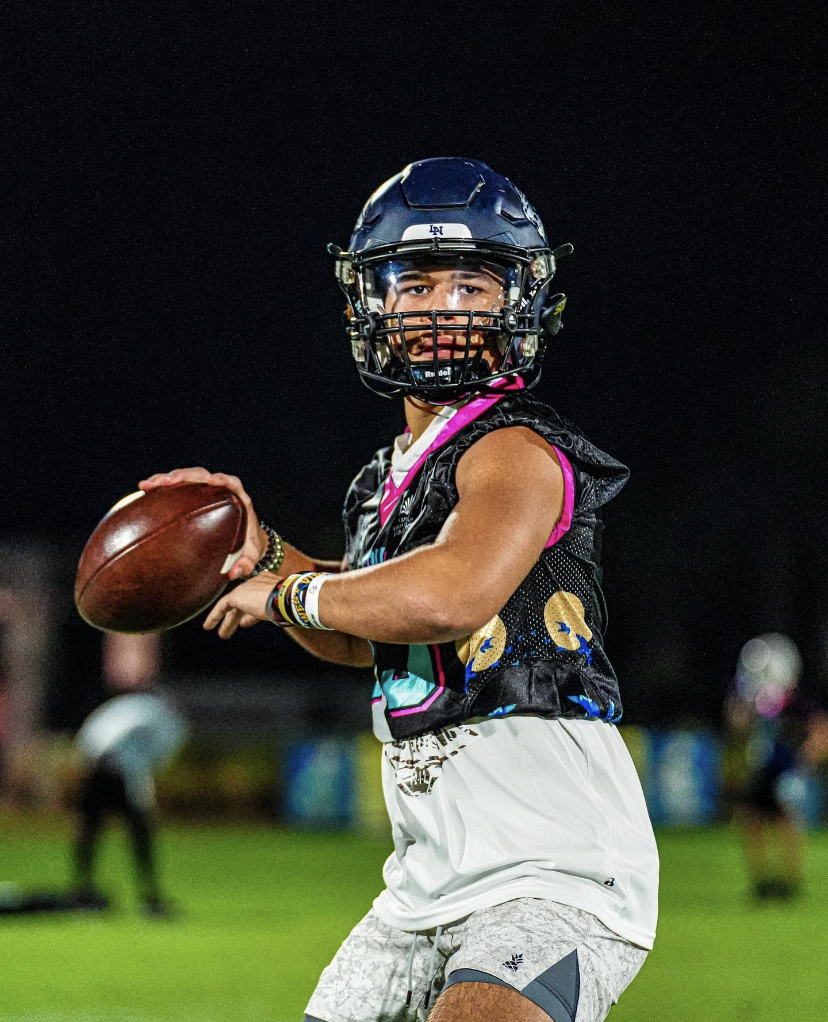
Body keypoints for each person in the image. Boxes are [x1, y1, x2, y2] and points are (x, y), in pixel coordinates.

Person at [140, 158, 659, 1021]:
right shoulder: (382, 482)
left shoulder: (518, 451)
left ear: (517, 303)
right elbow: (364, 629)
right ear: (371, 304)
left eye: (471, 283)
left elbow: (451, 593)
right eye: (414, 283)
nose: (442, 307)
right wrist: (261, 551)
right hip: (420, 887)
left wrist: (288, 596)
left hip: (554, 869)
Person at [71, 633, 188, 917]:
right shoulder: (140, 710)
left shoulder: (147, 711)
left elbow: (102, 743)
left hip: (115, 773)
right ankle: (86, 892)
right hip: (106, 774)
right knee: (95, 832)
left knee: (132, 835)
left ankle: (146, 895)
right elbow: (99, 741)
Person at [725, 633, 828, 901]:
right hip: (762, 770)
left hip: (787, 769)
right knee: (754, 820)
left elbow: (820, 730)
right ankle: (762, 883)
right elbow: (738, 728)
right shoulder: (753, 700)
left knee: (786, 821)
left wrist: (805, 761)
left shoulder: (797, 701)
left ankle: (789, 882)